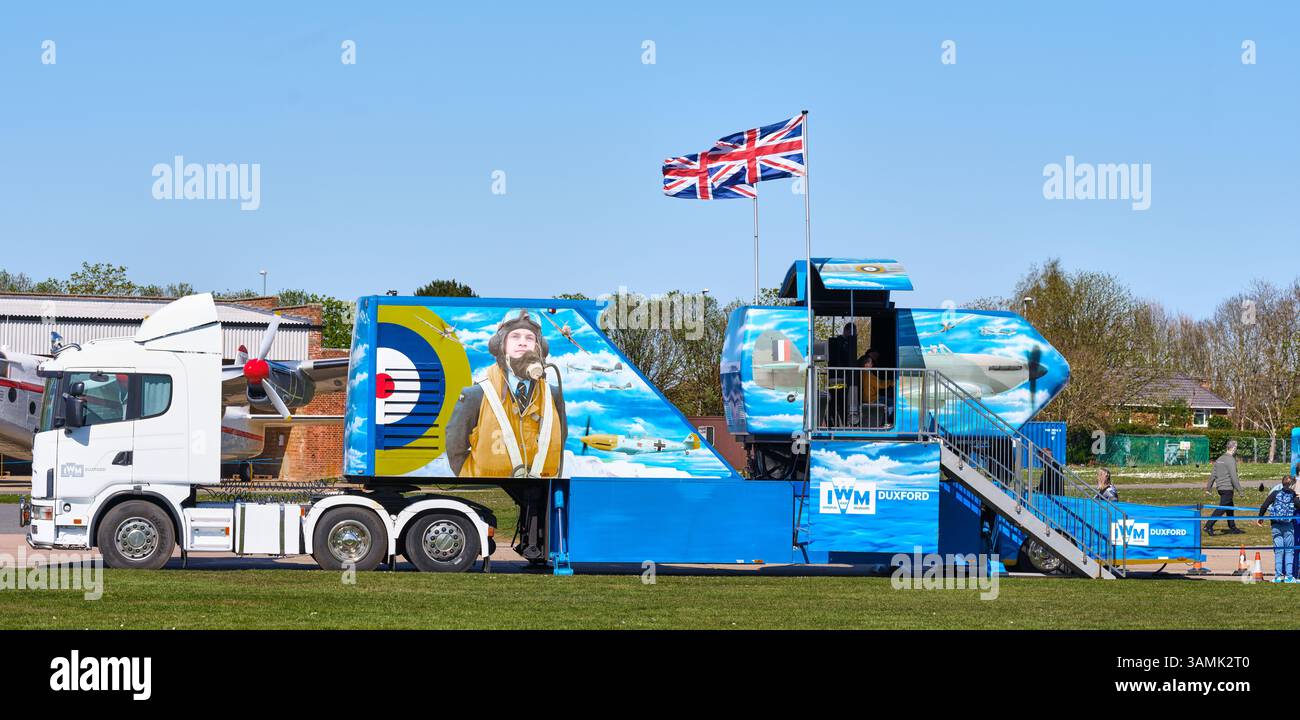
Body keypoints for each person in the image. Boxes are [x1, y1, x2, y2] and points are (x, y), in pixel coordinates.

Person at [446, 308, 567, 560]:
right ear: (501, 344)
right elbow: (455, 442)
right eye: (515, 336)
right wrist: (472, 474)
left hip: (539, 478)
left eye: (529, 337)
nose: (523, 341)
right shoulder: (475, 394)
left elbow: (561, 433)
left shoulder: (553, 394)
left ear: (539, 347)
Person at [1257, 476, 1299, 583]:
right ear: (1291, 485)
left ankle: (1278, 576)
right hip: (1288, 526)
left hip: (1276, 525)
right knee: (1289, 551)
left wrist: (1260, 518)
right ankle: (1289, 577)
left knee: (1279, 551)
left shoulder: (1275, 493)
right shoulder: (1292, 495)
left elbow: (1264, 505)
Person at [1204, 440, 1244, 535]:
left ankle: (1232, 527)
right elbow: (1234, 477)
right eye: (1236, 447)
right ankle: (1208, 526)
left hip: (1220, 488)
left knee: (1230, 507)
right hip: (1227, 488)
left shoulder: (1219, 459)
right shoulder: (1230, 460)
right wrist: (1240, 491)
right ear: (1233, 448)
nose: (1236, 449)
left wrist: (1208, 488)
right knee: (1222, 508)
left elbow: (1213, 475)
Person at [857, 350, 893, 428]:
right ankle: (885, 422)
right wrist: (891, 382)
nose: (872, 364)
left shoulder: (862, 373)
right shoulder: (868, 374)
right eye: (870, 363)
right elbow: (880, 384)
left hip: (868, 397)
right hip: (872, 398)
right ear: (866, 365)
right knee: (891, 403)